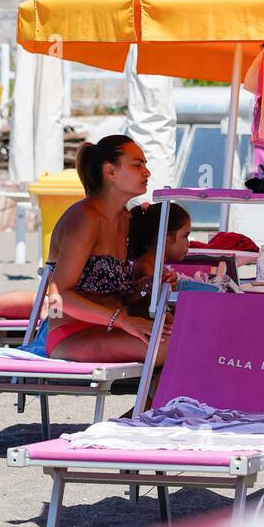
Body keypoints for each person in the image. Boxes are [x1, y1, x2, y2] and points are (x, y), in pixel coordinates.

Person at [44, 135, 170, 362]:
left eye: (145, 165)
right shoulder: (84, 219)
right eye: (137, 165)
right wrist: (123, 320)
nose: (147, 172)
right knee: (173, 346)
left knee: (191, 334)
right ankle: (164, 399)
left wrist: (145, 286)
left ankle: (157, 400)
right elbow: (59, 295)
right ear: (110, 172)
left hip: (111, 329)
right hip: (72, 334)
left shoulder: (124, 218)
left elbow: (113, 293)